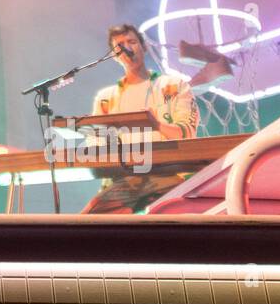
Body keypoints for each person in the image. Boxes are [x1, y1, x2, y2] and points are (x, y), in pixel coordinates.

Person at [80, 24, 198, 214]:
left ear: (143, 47)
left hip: (167, 174)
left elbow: (187, 132)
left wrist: (156, 125)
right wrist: (89, 132)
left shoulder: (173, 85)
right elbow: (96, 145)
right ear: (114, 55)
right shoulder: (105, 98)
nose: (127, 48)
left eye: (132, 42)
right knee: (85, 224)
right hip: (123, 179)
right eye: (119, 45)